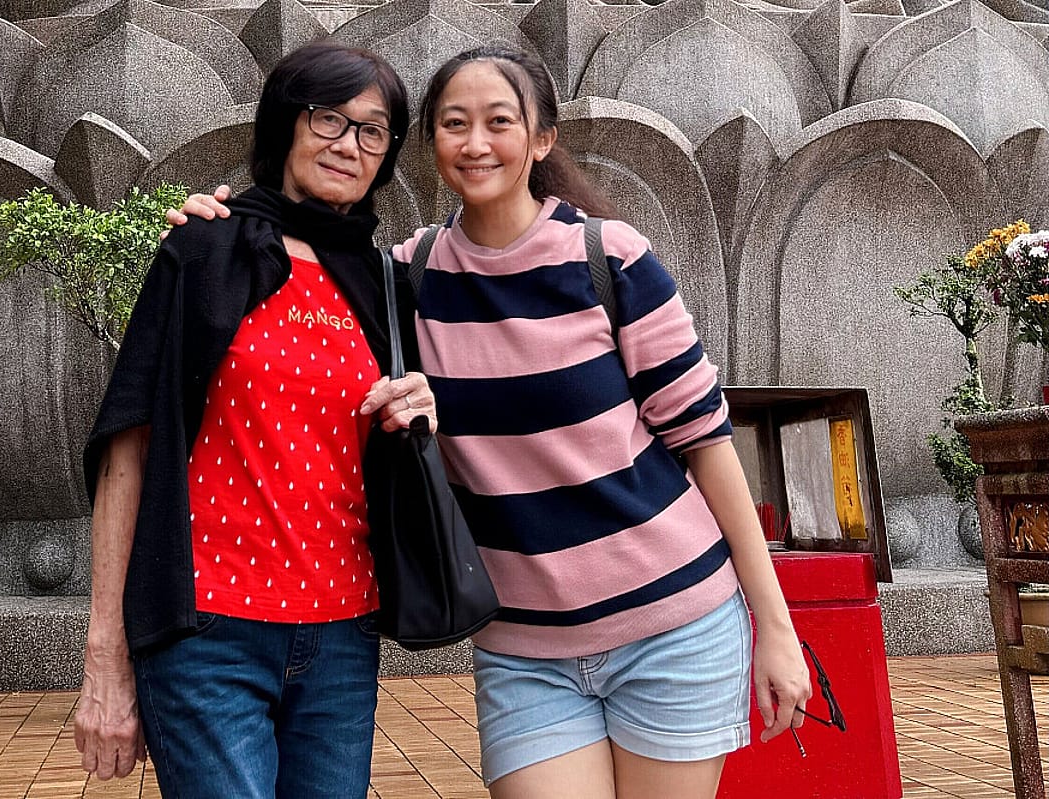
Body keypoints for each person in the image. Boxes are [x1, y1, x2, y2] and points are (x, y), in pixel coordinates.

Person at [172, 45, 811, 799]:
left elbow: (706, 445)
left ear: (541, 138)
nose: (476, 143)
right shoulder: (405, 276)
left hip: (670, 623)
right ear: (431, 145)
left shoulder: (612, 260)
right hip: (524, 650)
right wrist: (221, 222)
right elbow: (305, 282)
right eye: (454, 124)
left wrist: (777, 626)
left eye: (499, 122)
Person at [73, 42, 436, 799]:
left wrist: (423, 408)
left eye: (374, 130)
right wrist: (105, 656)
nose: (349, 144)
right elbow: (128, 448)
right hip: (209, 633)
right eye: (329, 118)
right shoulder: (204, 247)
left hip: (343, 635)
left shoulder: (382, 281)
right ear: (285, 125)